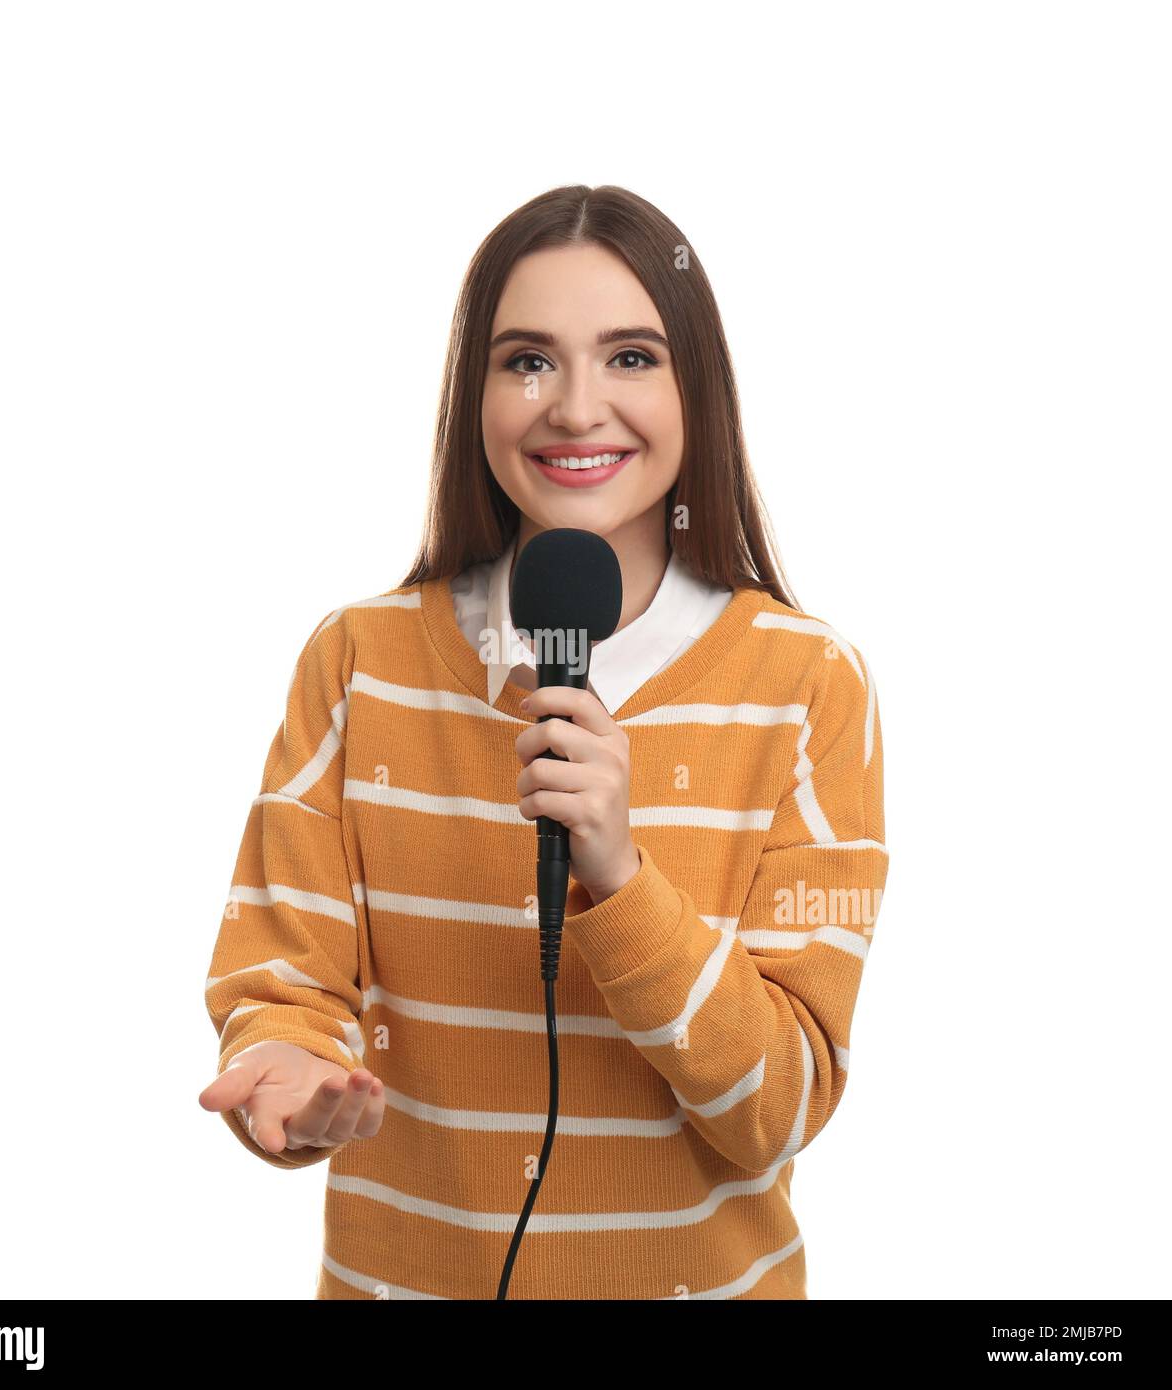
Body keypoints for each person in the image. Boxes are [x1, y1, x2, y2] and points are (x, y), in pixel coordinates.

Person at [197, 184, 889, 1300]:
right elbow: (284, 980)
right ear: (474, 395)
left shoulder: (808, 684)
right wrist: (284, 1070)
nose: (574, 408)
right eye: (526, 360)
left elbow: (779, 1108)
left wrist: (619, 875)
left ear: (694, 391)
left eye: (629, 357)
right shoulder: (357, 660)